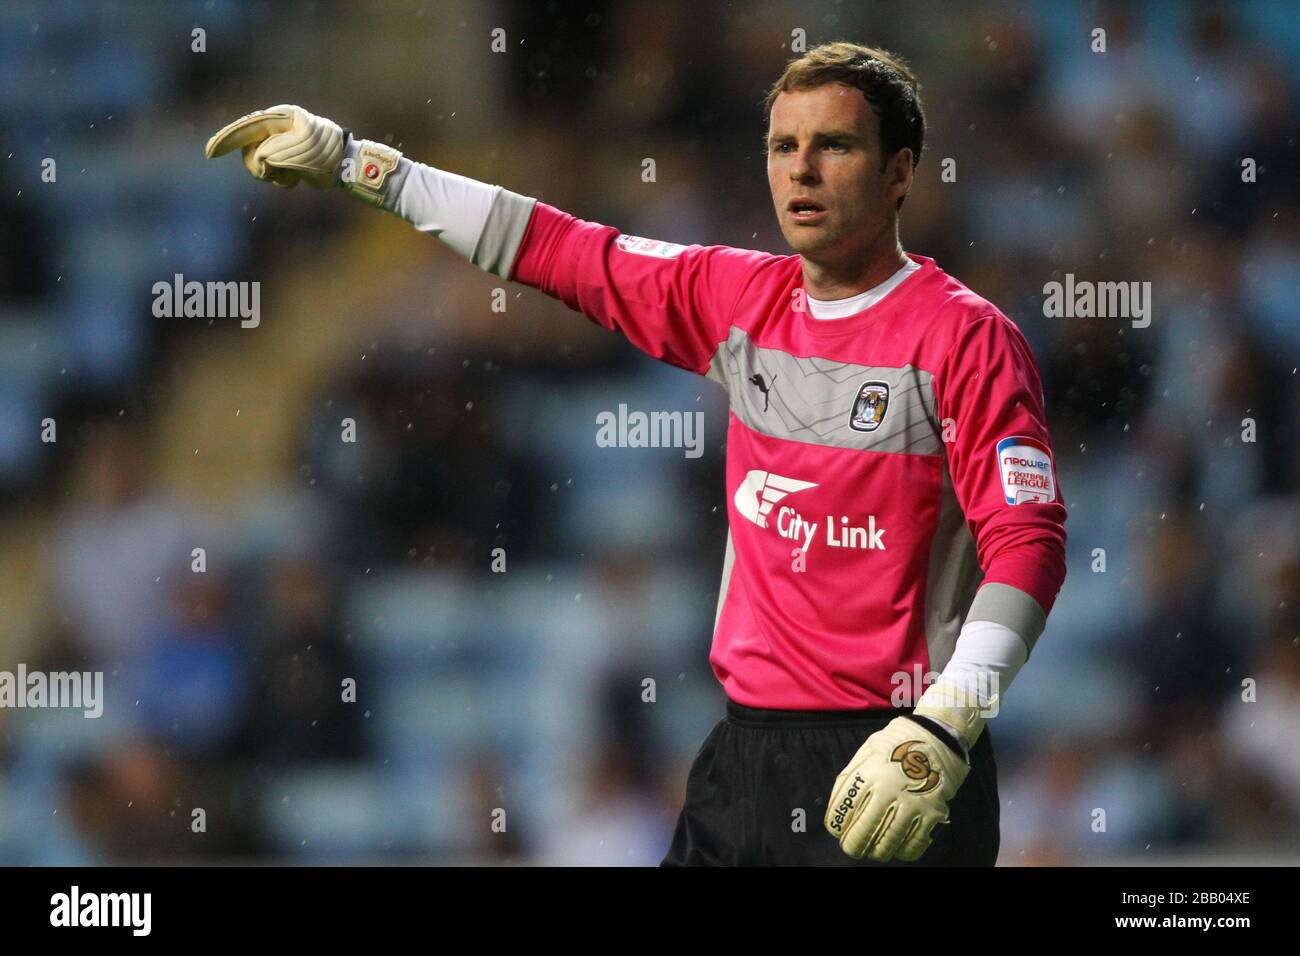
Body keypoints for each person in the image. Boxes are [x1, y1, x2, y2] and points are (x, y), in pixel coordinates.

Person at [205, 40, 1067, 866]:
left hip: (896, 757)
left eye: (834, 145)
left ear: (900, 171)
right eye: (783, 146)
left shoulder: (965, 338)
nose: (800, 170)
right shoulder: (737, 297)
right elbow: (554, 246)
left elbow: (1027, 542)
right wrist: (358, 162)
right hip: (744, 758)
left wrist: (948, 722)